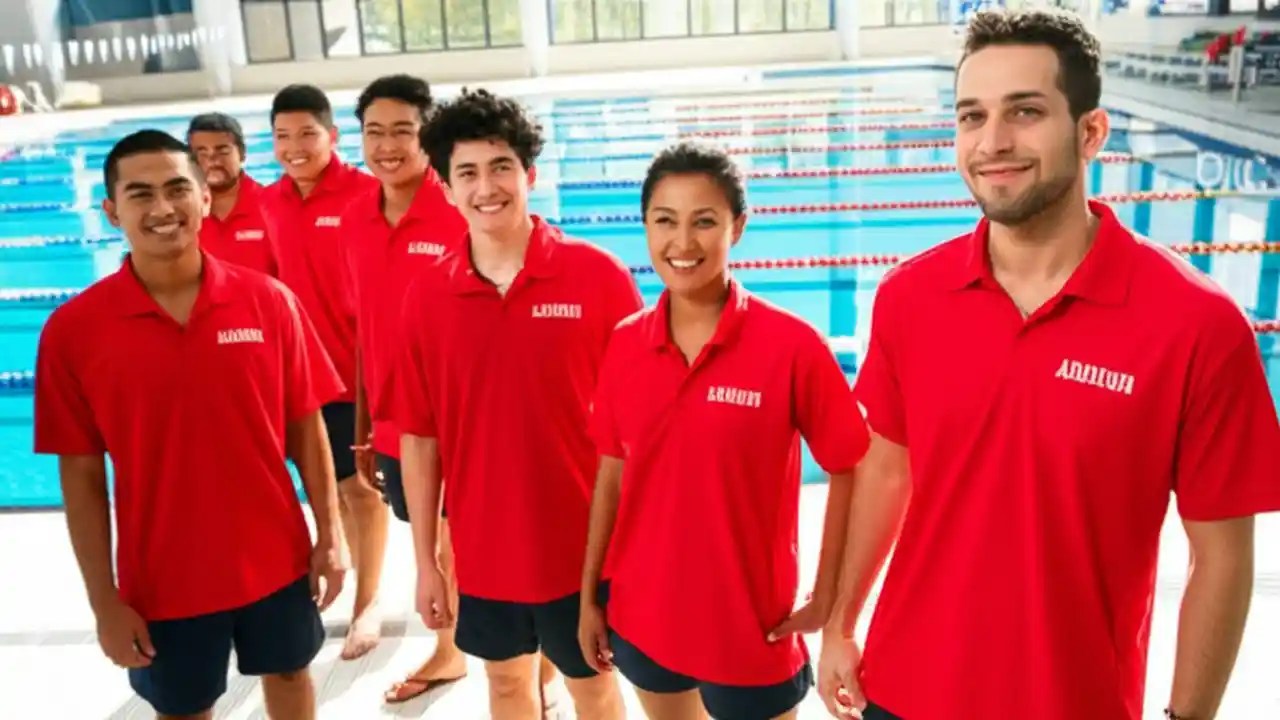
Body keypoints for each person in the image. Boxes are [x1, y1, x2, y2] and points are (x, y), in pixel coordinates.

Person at [816, 10, 1280, 720]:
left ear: (1091, 130)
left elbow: (1219, 557)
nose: (993, 142)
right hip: (905, 688)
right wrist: (843, 623)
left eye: (1025, 112)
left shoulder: (1197, 325)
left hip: (1072, 699)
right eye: (972, 116)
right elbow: (886, 468)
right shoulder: (909, 297)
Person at [32, 129, 347, 720]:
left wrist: (330, 535)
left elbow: (307, 427)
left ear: (205, 198)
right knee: (184, 707)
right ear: (110, 210)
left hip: (275, 557)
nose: (162, 209)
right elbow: (80, 478)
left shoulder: (268, 302)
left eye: (178, 189)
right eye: (140, 194)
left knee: (290, 675)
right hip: (162, 578)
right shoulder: (75, 332)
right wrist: (104, 599)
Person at [577, 140, 871, 720]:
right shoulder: (624, 344)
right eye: (664, 221)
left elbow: (853, 466)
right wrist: (590, 597)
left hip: (751, 623)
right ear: (644, 226)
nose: (681, 243)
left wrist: (829, 594)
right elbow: (610, 476)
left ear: (737, 227)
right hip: (644, 614)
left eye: (704, 221)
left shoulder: (790, 346)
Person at [386, 87, 642, 720]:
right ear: (444, 187)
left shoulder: (598, 277)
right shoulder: (427, 297)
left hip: (585, 547)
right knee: (504, 687)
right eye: (466, 172)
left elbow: (642, 424)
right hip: (484, 548)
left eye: (501, 167)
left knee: (593, 686)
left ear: (529, 173)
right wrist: (425, 562)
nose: (486, 187)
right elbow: (420, 437)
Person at [260, 83, 388, 661]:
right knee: (330, 489)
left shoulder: (368, 193)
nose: (294, 147)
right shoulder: (270, 202)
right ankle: (355, 580)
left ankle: (369, 603)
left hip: (361, 374)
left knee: (362, 490)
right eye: (282, 136)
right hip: (301, 376)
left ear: (333, 137)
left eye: (307, 134)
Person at [186, 112, 278, 276]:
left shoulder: (273, 206)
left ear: (242, 153)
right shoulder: (185, 214)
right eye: (202, 152)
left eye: (222, 151)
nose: (213, 160)